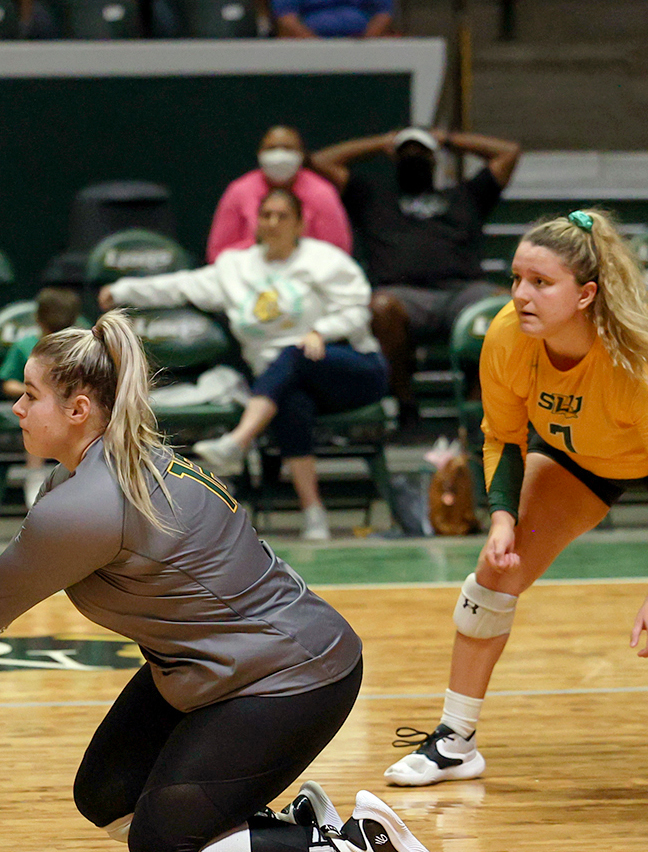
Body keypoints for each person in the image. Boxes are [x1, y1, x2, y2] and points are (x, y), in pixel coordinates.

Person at [0, 310, 446, 852]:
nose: (17, 407)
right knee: (108, 797)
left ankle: (354, 851)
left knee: (165, 851)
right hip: (217, 667)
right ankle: (297, 828)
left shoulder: (85, 504)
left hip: (294, 676)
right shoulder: (101, 471)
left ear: (78, 409)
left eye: (30, 396)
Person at [383, 210, 648, 798]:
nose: (521, 295)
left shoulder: (640, 361)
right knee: (493, 574)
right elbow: (502, 437)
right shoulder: (508, 336)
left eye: (541, 282)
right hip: (584, 444)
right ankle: (455, 741)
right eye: (516, 278)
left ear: (586, 294)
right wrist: (503, 520)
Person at [100, 188, 384, 542]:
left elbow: (358, 309)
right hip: (283, 383)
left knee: (292, 354)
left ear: (299, 223)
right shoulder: (237, 268)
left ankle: (238, 441)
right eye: (267, 215)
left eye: (283, 216)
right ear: (256, 222)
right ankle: (314, 513)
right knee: (292, 404)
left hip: (351, 367)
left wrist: (320, 331)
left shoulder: (327, 261)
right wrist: (124, 290)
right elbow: (181, 286)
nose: (274, 223)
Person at [312, 126, 520, 427]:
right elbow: (321, 161)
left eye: (421, 153)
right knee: (380, 307)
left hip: (462, 292)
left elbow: (508, 152)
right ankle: (405, 403)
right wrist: (380, 142)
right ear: (394, 160)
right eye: (406, 154)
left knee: (506, 307)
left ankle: (477, 405)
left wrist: (447, 139)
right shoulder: (373, 198)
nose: (414, 159)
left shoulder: (465, 195)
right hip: (403, 296)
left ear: (434, 160)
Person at [205, 125, 352, 263]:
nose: (274, 225)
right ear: (260, 153)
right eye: (272, 148)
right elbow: (217, 254)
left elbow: (339, 253)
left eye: (287, 148)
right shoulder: (239, 191)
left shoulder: (322, 192)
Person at [0, 286, 81, 507]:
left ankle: (82, 474)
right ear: (38, 321)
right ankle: (34, 476)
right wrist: (34, 392)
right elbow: (9, 384)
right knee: (36, 415)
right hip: (39, 407)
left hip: (70, 407)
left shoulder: (82, 347)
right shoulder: (24, 346)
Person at [271, 0, 392, 37]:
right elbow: (286, 18)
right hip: (308, 48)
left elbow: (383, 13)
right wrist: (317, 47)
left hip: (362, 46)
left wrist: (366, 42)